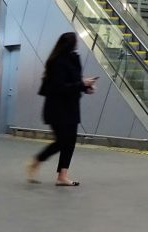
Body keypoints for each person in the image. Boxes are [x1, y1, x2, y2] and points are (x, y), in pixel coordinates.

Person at [26, 32, 96, 186]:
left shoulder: (74, 59)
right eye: (75, 42)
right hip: (57, 108)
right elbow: (59, 87)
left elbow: (74, 82)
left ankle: (62, 176)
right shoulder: (56, 62)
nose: (77, 44)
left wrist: (86, 87)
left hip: (71, 106)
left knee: (70, 142)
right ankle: (37, 160)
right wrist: (82, 84)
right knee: (62, 141)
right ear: (70, 44)